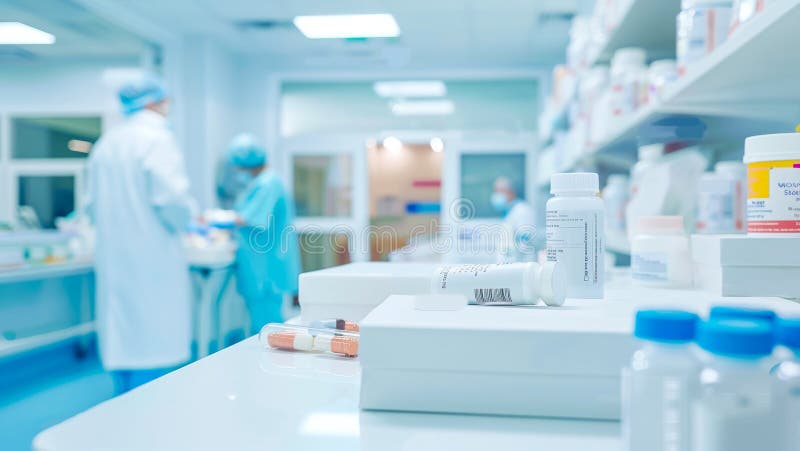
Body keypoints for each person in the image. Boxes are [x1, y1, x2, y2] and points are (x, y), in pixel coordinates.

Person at [86, 73, 197, 394]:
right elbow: (172, 200)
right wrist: (189, 220)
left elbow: (90, 205)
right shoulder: (157, 138)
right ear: (154, 102)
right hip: (152, 257)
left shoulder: (107, 144)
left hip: (115, 257)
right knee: (154, 339)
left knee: (123, 336)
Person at [227, 134, 300, 334]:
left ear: (246, 164)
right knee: (265, 323)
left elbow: (250, 218)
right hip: (262, 264)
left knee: (268, 328)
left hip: (265, 267)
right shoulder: (265, 182)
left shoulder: (268, 184)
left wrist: (218, 219)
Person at [490, 176, 537, 262]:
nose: (497, 195)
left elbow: (525, 243)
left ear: (511, 192)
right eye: (495, 191)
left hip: (521, 265)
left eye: (500, 191)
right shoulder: (509, 212)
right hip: (510, 265)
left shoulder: (522, 211)